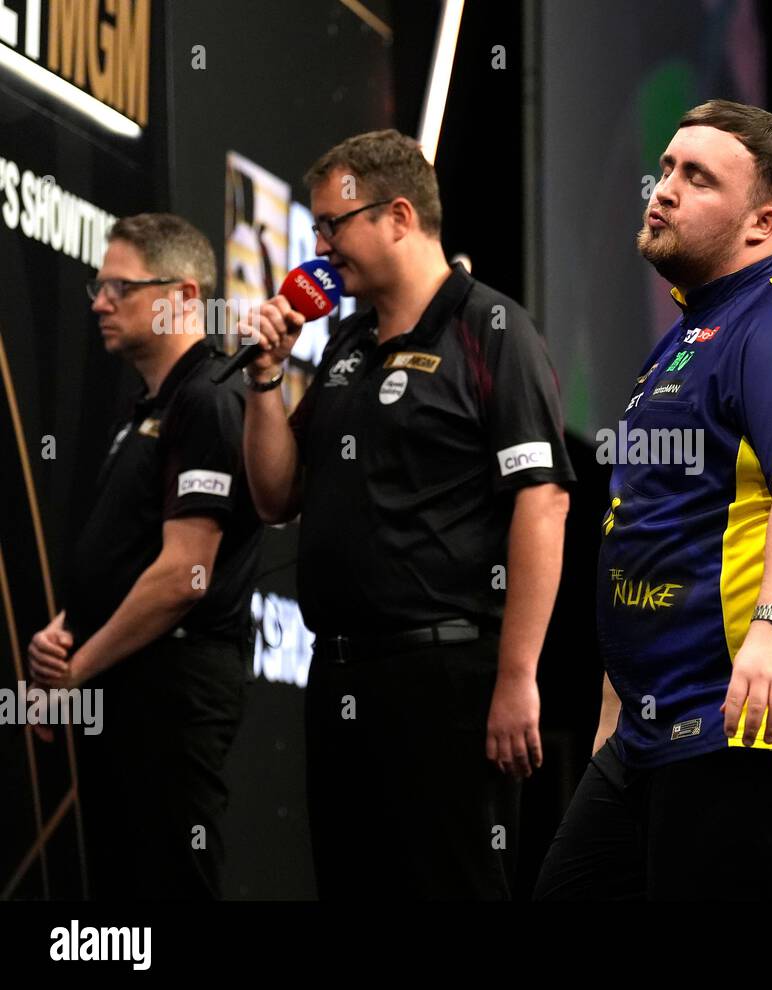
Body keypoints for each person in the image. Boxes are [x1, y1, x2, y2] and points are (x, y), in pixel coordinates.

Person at [535, 100, 772, 900]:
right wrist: (613, 706)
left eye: (697, 178)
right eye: (665, 168)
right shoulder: (684, 341)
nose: (663, 189)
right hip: (652, 727)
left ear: (762, 223)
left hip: (755, 723)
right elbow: (644, 526)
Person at [239, 129, 575, 899]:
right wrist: (264, 382)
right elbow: (275, 496)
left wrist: (518, 675)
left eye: (332, 224)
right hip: (341, 678)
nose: (318, 246)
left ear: (397, 215)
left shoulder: (492, 330)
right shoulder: (348, 343)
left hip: (448, 680)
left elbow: (543, 501)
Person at [27, 213, 262, 899]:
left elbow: (184, 576)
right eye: (98, 288)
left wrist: (74, 669)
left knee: (167, 882)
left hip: (174, 686)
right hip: (123, 679)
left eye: (119, 288)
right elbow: (124, 554)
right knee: (118, 891)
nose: (99, 303)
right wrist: (63, 627)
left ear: (185, 296)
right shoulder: (146, 409)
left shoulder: (212, 398)